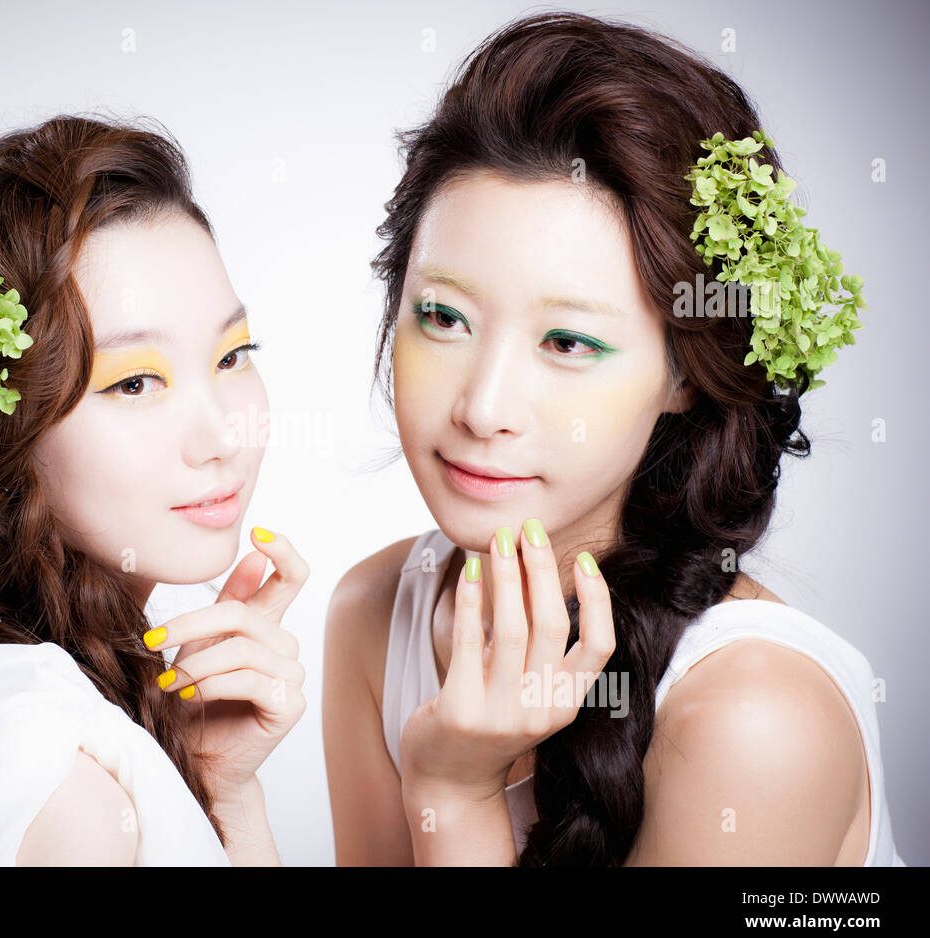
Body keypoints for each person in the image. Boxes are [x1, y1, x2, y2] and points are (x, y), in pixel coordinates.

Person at [323, 11, 903, 866]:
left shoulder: (756, 720)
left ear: (683, 372)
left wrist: (455, 789)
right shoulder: (376, 613)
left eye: (569, 343)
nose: (482, 408)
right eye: (443, 317)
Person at [0, 113, 307, 866]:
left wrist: (224, 795)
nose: (223, 436)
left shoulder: (2, 707)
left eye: (233, 355)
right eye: (135, 382)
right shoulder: (68, 796)